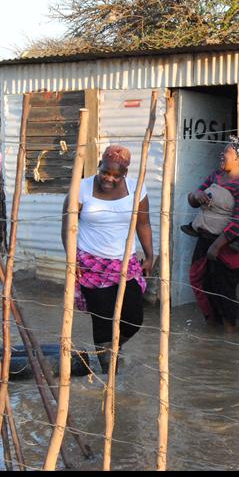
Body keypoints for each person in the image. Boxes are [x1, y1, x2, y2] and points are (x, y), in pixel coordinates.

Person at [61, 144, 154, 374]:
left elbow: (143, 224)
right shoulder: (80, 189)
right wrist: (72, 260)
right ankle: (109, 376)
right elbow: (68, 227)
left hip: (125, 263)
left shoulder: (136, 190)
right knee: (102, 319)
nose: (109, 178)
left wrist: (150, 255)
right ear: (99, 165)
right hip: (91, 265)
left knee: (134, 317)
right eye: (105, 172)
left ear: (125, 174)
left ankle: (112, 348)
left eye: (116, 175)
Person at [187, 136, 239, 333]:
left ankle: (229, 334)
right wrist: (196, 195)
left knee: (223, 289)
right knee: (199, 280)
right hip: (205, 238)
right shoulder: (215, 176)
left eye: (227, 152)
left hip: (228, 245)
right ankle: (211, 325)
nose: (222, 155)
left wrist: (217, 247)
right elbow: (193, 199)